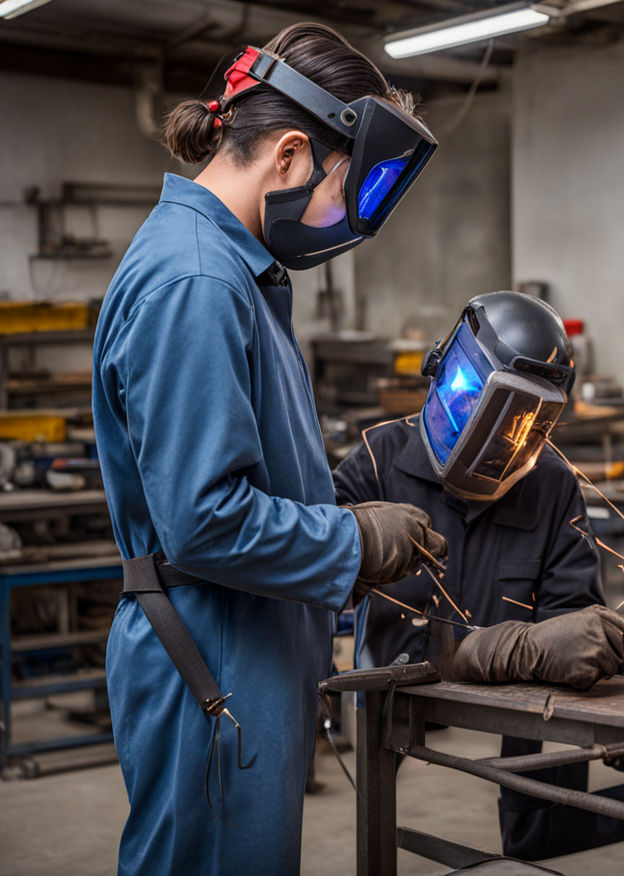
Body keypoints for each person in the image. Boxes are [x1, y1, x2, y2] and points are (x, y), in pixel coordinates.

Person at [92, 23, 447, 874]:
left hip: (239, 646)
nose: (341, 223)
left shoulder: (233, 270)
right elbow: (204, 520)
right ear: (289, 154)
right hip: (210, 659)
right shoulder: (198, 282)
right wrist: (353, 540)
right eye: (339, 192)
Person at [332, 291, 624, 859]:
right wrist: (349, 537)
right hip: (393, 698)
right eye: (466, 395)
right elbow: (308, 576)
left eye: (511, 420)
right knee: (379, 837)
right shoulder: (378, 458)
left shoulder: (551, 484)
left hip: (518, 702)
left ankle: (537, 837)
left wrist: (558, 648)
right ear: (443, 363)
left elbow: (569, 626)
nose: (473, 422)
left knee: (545, 813)